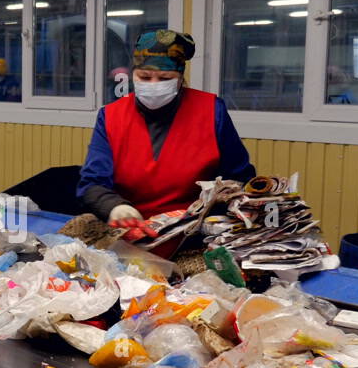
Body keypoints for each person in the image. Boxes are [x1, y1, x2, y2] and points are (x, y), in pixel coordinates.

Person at [78, 29, 256, 226]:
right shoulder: (111, 116)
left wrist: (215, 214)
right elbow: (92, 183)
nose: (153, 85)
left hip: (194, 229)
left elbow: (239, 177)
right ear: (133, 75)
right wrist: (115, 207)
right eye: (144, 77)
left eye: (164, 78)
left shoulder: (212, 112)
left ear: (180, 79)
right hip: (131, 229)